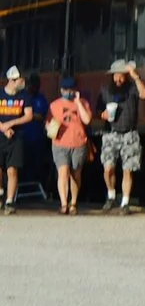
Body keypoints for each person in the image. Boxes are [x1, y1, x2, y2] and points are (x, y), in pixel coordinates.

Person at [99, 61, 145, 213]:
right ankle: (111, 195)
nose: (118, 79)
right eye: (116, 76)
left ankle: (125, 202)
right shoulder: (105, 90)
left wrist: (136, 77)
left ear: (126, 77)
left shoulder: (132, 89)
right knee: (108, 169)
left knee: (128, 170)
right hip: (111, 133)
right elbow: (98, 110)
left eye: (121, 76)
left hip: (129, 134)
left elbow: (144, 95)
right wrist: (103, 114)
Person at [46, 80, 91, 216]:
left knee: (76, 174)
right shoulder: (54, 105)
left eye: (71, 89)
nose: (68, 92)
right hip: (60, 143)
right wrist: (50, 127)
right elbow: (48, 123)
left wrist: (78, 103)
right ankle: (64, 204)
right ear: (61, 90)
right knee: (63, 172)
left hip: (78, 142)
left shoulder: (83, 103)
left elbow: (87, 120)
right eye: (66, 89)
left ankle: (74, 203)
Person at [0, 69, 37, 212]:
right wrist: (3, 128)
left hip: (17, 137)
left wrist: (11, 124)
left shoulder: (25, 96)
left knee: (12, 169)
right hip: (1, 135)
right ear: (12, 80)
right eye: (21, 79)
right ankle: (1, 192)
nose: (24, 82)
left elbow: (28, 116)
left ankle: (10, 201)